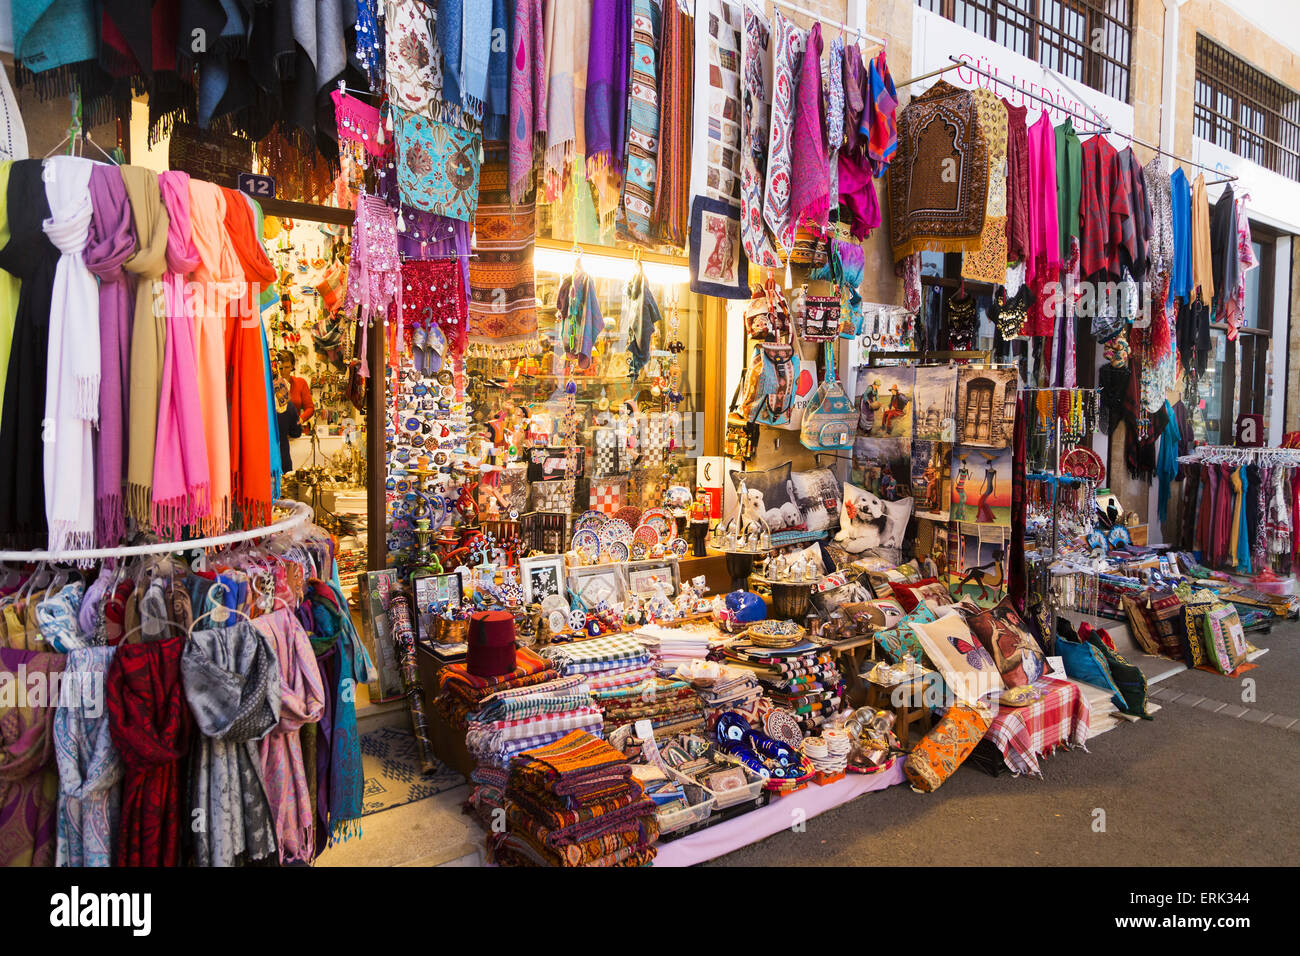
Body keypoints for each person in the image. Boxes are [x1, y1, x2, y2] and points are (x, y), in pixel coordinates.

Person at [276, 351, 315, 426]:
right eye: (280, 368)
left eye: (287, 367)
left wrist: (300, 420)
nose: (283, 371)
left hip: (293, 430)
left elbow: (310, 408)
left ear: (292, 366)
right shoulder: (271, 384)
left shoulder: (300, 383)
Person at [273, 379, 303, 475]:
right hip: (282, 458)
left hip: (262, 459)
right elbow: (297, 432)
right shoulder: (289, 405)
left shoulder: (260, 405)